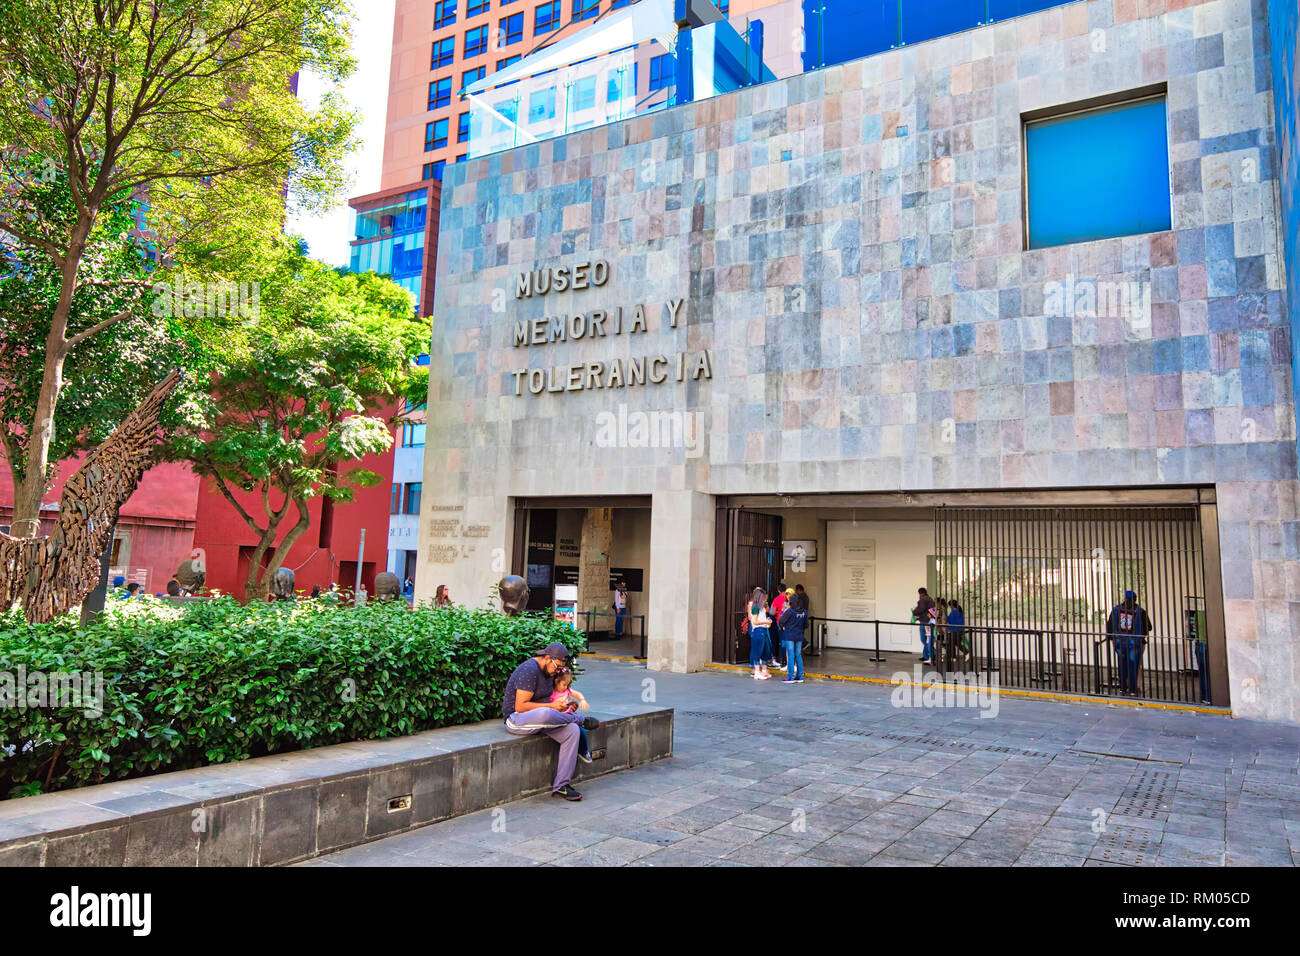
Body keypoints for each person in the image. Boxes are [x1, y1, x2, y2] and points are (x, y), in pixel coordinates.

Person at [501, 642, 600, 801]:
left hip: (542, 718)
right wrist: (551, 707)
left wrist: (563, 707)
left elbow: (549, 701)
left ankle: (561, 786)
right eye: (557, 666)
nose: (557, 670)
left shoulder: (549, 673)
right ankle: (581, 720)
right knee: (548, 713)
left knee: (572, 731)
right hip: (516, 719)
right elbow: (520, 706)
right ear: (547, 658)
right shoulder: (529, 670)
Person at [1106, 590, 1153, 696]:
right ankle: (1132, 689)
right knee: (1134, 666)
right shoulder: (1140, 612)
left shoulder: (1116, 610)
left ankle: (1123, 688)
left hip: (1119, 643)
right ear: (1135, 599)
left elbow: (1109, 626)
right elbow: (1149, 627)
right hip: (1135, 644)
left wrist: (1112, 639)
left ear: (1124, 598)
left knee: (1122, 666)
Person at [549, 667, 593, 763]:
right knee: (579, 730)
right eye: (564, 684)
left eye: (568, 685)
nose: (566, 687)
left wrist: (582, 700)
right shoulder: (551, 693)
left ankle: (584, 750)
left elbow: (577, 694)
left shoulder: (566, 691)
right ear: (556, 681)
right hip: (560, 718)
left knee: (582, 731)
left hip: (570, 716)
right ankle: (582, 750)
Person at [779, 595, 808, 684]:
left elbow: (781, 621)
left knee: (791, 655)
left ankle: (790, 677)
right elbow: (806, 625)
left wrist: (783, 627)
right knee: (798, 655)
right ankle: (799, 676)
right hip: (799, 635)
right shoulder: (804, 612)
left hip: (790, 635)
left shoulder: (790, 611)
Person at [747, 587, 772, 680]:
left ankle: (763, 670)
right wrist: (765, 622)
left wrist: (766, 623)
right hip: (758, 630)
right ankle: (757, 671)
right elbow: (755, 621)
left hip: (763, 630)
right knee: (757, 651)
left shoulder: (762, 607)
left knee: (765, 650)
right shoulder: (755, 607)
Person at [914, 587, 936, 664]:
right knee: (928, 640)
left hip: (924, 621)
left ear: (921, 593)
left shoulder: (923, 599)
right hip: (930, 621)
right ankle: (926, 655)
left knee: (924, 639)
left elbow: (921, 609)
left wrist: (914, 612)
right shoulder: (930, 599)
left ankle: (935, 653)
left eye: (919, 594)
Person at [769, 586, 791, 667]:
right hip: (790, 623)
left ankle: (783, 661)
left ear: (778, 590)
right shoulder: (790, 598)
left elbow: (772, 612)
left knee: (782, 642)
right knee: (788, 641)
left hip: (780, 622)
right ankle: (789, 661)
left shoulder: (776, 599)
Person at [947, 599, 969, 666]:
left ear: (952, 605)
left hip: (955, 630)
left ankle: (954, 657)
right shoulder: (959, 610)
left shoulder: (954, 611)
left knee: (952, 644)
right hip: (959, 630)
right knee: (956, 644)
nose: (950, 607)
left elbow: (949, 620)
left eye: (950, 606)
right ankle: (965, 654)